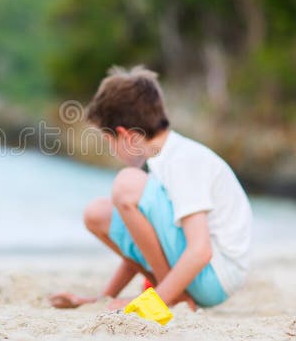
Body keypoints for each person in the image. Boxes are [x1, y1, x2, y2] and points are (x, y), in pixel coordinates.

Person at [50, 66, 251, 310]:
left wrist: (155, 304)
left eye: (108, 141)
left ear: (125, 135)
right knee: (97, 213)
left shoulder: (182, 159)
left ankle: (167, 296)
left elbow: (200, 250)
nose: (110, 150)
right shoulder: (163, 160)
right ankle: (169, 293)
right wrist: (103, 298)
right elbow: (144, 242)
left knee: (126, 183)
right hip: (201, 273)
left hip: (214, 275)